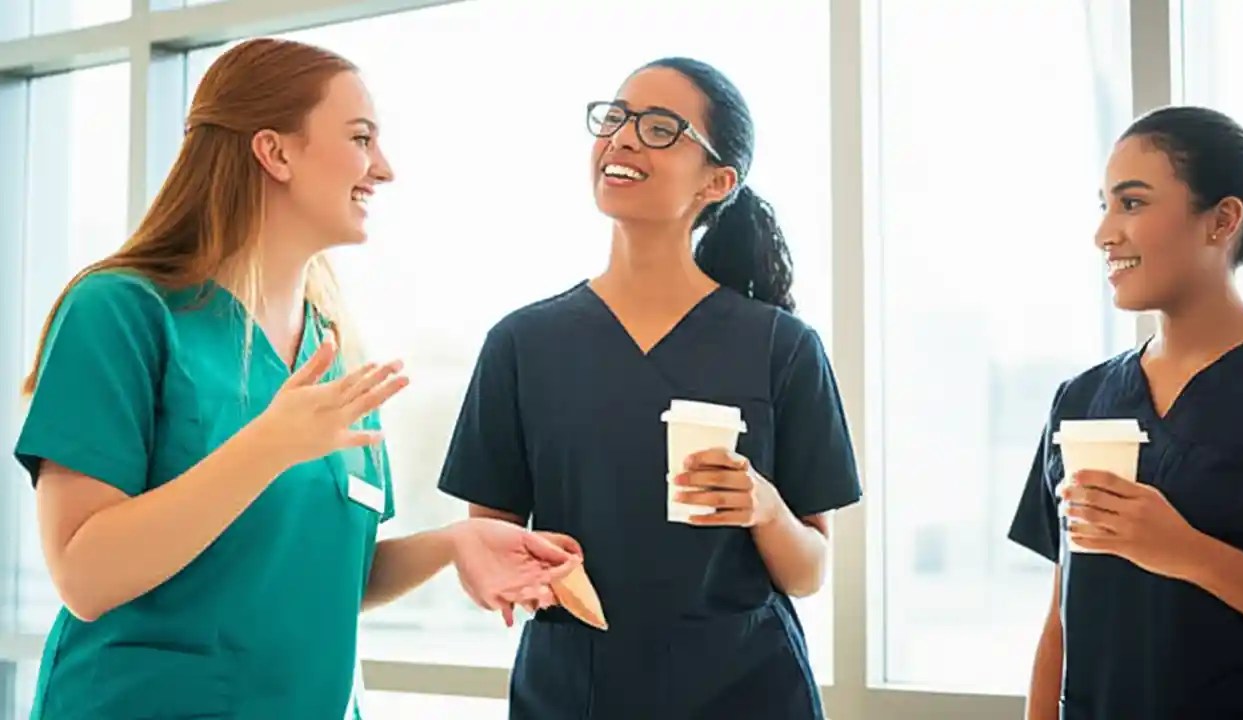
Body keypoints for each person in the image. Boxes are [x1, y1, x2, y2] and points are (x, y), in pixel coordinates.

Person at [13, 38, 577, 720]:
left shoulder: (327, 344)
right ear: (275, 152)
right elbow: (85, 573)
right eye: (361, 137)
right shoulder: (121, 312)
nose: (384, 169)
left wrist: (452, 545)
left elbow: (321, 572)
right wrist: (268, 447)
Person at [437, 57, 862, 720]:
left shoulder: (782, 347)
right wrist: (519, 577)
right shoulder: (521, 344)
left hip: (747, 691)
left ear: (717, 181)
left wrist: (763, 506)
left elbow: (808, 572)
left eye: (661, 128)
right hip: (573, 694)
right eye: (615, 117)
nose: (624, 137)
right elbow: (482, 548)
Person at [1010, 106, 1243, 720]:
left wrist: (1186, 551)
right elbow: (1061, 616)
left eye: (1132, 204)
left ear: (1223, 220)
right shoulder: (1080, 399)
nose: (1105, 232)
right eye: (1104, 205)